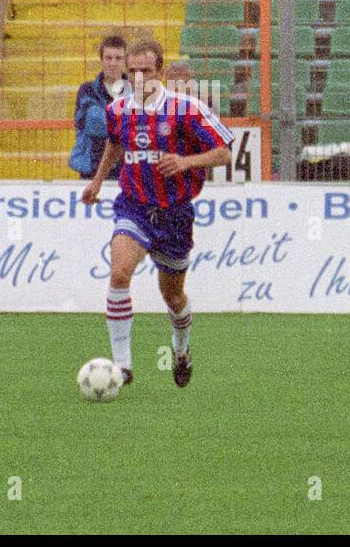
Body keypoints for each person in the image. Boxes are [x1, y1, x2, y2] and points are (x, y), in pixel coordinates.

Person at [79, 37, 235, 388]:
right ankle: (122, 366)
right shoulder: (118, 109)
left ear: (160, 71)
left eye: (145, 70)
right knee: (119, 273)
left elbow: (224, 152)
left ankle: (181, 350)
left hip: (175, 215)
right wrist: (98, 181)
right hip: (133, 205)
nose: (137, 77)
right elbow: (116, 142)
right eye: (132, 70)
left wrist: (186, 162)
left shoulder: (186, 109)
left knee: (174, 297)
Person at [71, 35, 126, 179]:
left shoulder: (138, 91)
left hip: (126, 171)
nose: (113, 63)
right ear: (101, 60)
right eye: (108, 58)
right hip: (92, 169)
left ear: (125, 61)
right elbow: (95, 124)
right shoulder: (87, 90)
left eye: (118, 58)